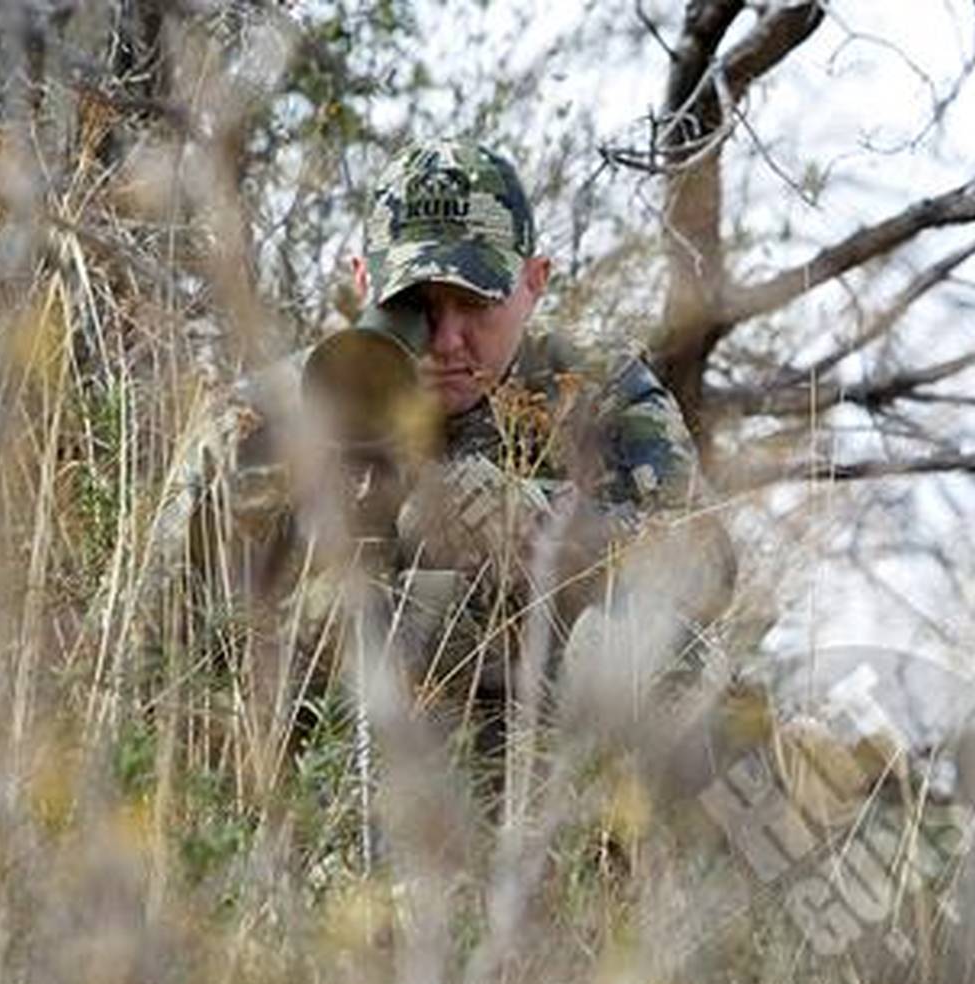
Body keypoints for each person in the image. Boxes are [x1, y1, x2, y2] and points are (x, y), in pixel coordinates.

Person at [162, 138, 737, 784]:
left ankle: (621, 867)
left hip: (538, 761)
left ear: (534, 282)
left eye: (475, 303)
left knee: (670, 654)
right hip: (312, 765)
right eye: (415, 306)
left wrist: (542, 529)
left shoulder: (598, 391)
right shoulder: (269, 415)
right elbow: (148, 626)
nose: (446, 341)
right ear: (362, 285)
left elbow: (708, 568)